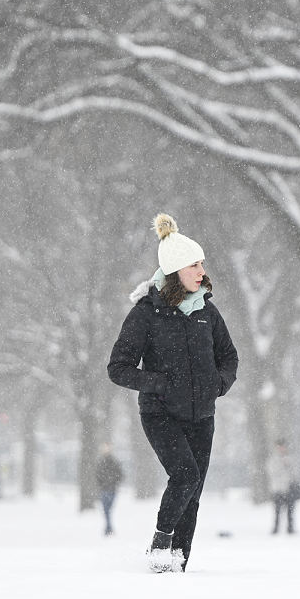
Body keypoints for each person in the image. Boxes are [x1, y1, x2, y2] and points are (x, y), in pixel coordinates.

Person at [108, 214, 238, 573]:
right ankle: (160, 545)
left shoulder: (206, 312)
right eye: (195, 264)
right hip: (160, 413)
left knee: (193, 492)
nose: (201, 270)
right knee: (184, 476)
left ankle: (177, 563)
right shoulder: (146, 314)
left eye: (202, 264)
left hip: (202, 416)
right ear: (176, 270)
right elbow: (117, 368)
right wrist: (159, 384)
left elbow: (228, 357)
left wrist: (219, 384)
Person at [266, 440, 299, 535]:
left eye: (283, 446)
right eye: (280, 447)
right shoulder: (273, 459)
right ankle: (276, 528)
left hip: (289, 488)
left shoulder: (291, 459)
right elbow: (272, 472)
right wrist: (281, 466)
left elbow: (295, 474)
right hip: (277, 489)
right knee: (277, 511)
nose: (282, 449)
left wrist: (288, 466)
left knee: (290, 510)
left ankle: (290, 528)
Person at [95, 443, 124, 536]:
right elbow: (98, 475)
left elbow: (120, 475)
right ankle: (109, 528)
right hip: (106, 489)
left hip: (110, 489)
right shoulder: (102, 462)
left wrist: (112, 482)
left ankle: (108, 528)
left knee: (107, 510)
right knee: (107, 510)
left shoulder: (112, 462)